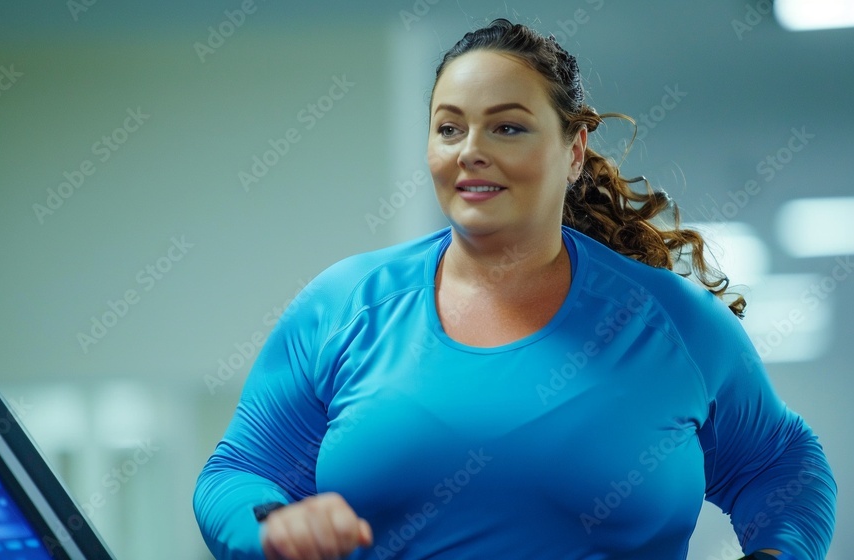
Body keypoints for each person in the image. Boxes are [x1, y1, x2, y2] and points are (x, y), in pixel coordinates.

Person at [193, 18, 837, 560]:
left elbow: (785, 466)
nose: (470, 150)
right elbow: (235, 474)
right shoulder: (343, 308)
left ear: (575, 150)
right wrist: (271, 527)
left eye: (506, 127)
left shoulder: (674, 325)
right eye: (449, 128)